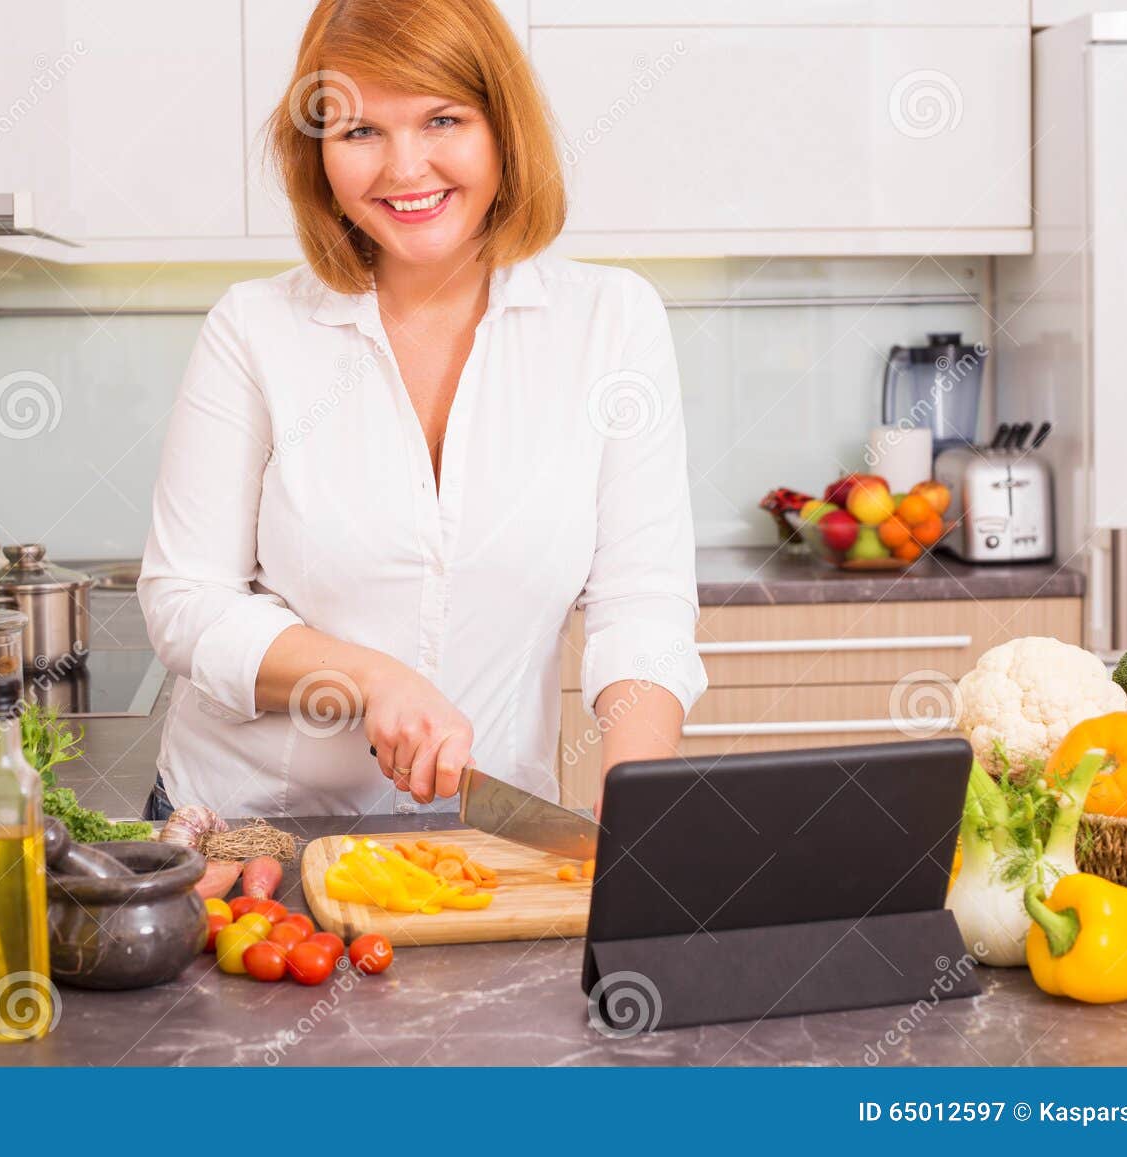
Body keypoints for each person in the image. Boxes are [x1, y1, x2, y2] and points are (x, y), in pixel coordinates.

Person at [138, 0, 706, 820]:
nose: (405, 168)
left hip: (485, 845)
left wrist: (637, 811)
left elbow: (642, 603)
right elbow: (185, 602)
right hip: (251, 840)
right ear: (319, 153)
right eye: (361, 132)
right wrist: (371, 677)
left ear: (503, 131)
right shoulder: (253, 330)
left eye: (443, 119)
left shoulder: (612, 323)